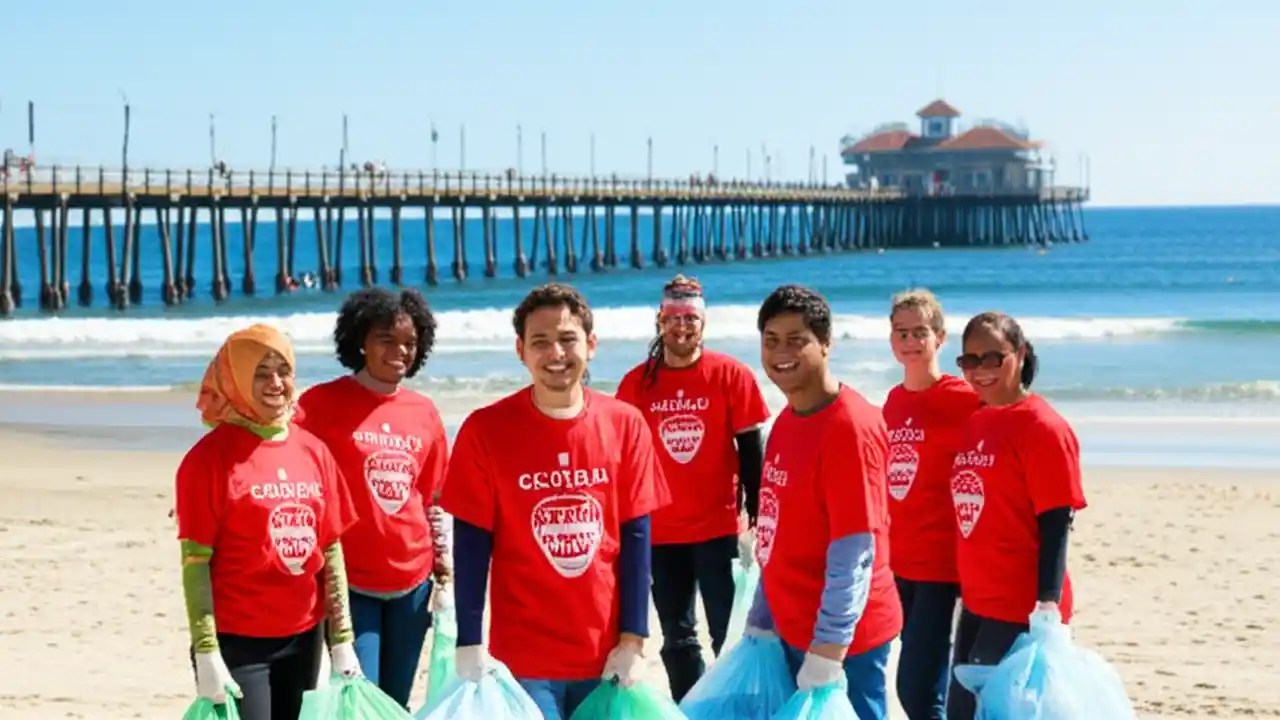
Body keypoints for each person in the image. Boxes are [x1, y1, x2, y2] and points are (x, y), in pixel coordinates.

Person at [439, 282, 671, 720]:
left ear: (591, 344)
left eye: (568, 339)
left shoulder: (626, 424)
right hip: (523, 657)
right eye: (540, 342)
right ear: (520, 350)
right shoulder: (485, 430)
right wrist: (469, 639)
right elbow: (471, 541)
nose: (556, 354)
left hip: (604, 651)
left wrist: (634, 638)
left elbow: (637, 536)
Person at [174, 323, 361, 720]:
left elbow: (330, 550)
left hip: (302, 636)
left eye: (284, 370)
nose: (276, 383)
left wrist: (341, 638)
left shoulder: (314, 450)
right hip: (238, 642)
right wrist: (207, 650)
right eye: (260, 373)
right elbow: (195, 563)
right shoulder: (207, 460)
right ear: (237, 379)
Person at [744, 284, 903, 720]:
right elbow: (776, 532)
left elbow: (855, 549)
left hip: (846, 640)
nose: (781, 353)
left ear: (826, 344)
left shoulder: (850, 426)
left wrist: (829, 648)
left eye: (797, 341)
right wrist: (761, 617)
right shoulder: (785, 422)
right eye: (771, 341)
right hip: (793, 628)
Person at [614, 274, 770, 702]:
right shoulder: (636, 383)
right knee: (677, 637)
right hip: (660, 532)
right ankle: (692, 709)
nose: (681, 327)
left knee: (728, 633)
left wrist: (760, 519)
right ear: (659, 321)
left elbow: (751, 450)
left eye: (690, 319)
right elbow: (624, 460)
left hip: (717, 527)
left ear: (704, 323)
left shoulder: (730, 375)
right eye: (673, 318)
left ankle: (733, 706)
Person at [295, 288, 452, 709]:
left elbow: (434, 500)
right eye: (387, 339)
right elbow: (279, 454)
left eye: (410, 343)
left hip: (413, 584)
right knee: (359, 702)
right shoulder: (319, 405)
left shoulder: (425, 412)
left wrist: (443, 571)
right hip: (350, 582)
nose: (400, 351)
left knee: (396, 704)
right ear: (361, 339)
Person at [945, 311, 1088, 720]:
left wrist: (1047, 606)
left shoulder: (1044, 428)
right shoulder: (977, 421)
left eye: (993, 358)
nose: (980, 370)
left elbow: (1057, 522)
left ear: (1021, 355)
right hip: (976, 602)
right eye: (969, 361)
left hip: (1021, 608)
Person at [882, 289, 981, 720]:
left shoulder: (963, 397)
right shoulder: (893, 401)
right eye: (902, 332)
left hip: (944, 563)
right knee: (928, 681)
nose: (910, 341)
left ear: (940, 338)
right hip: (899, 560)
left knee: (915, 687)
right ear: (891, 340)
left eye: (920, 332)